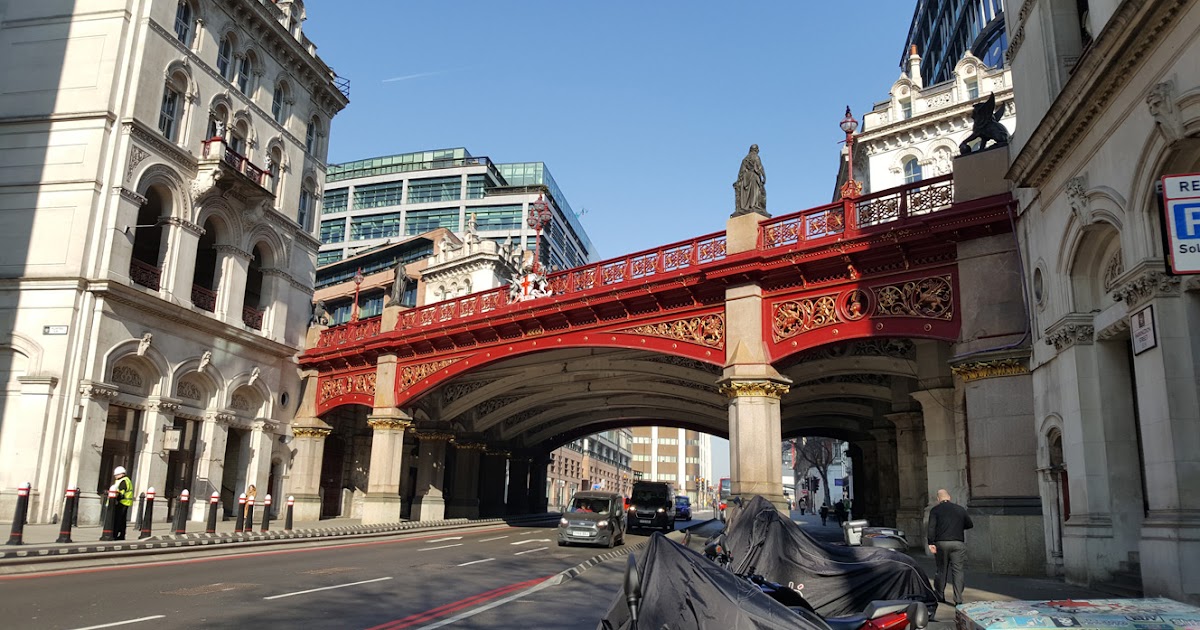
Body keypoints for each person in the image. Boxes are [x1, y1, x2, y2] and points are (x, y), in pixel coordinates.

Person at [927, 489, 974, 606]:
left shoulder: (935, 510)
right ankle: (958, 599)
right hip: (957, 543)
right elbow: (970, 524)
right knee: (958, 571)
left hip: (941, 543)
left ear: (938, 499)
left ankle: (940, 594)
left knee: (941, 569)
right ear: (949, 497)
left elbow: (931, 528)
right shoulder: (960, 509)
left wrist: (931, 543)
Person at [111, 466, 134, 540]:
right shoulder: (124, 480)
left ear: (121, 474)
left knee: (118, 520)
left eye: (116, 475)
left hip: (122, 502)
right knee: (122, 520)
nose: (115, 476)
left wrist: (115, 498)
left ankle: (115, 534)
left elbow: (121, 492)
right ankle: (121, 535)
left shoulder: (124, 481)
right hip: (125, 502)